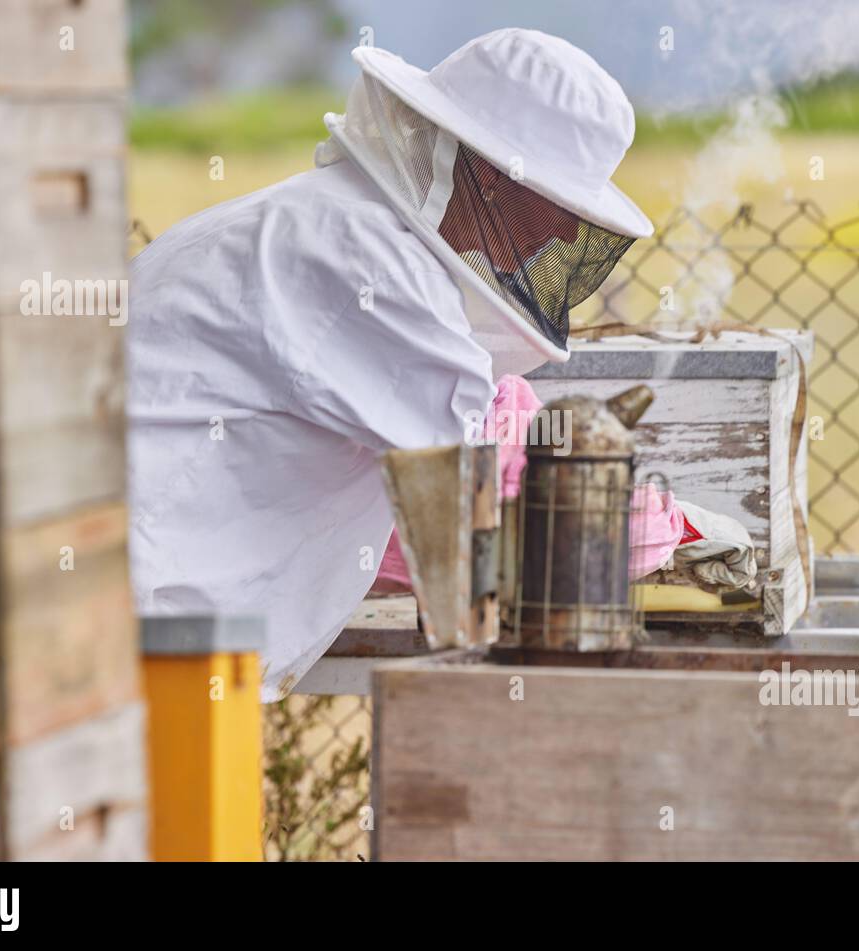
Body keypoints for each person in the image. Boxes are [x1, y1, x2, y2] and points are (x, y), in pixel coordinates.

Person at [127, 28, 753, 700]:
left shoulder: (334, 225)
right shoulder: (366, 261)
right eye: (559, 201)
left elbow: (400, 509)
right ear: (488, 171)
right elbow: (491, 495)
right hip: (134, 629)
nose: (570, 233)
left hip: (128, 616)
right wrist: (670, 530)